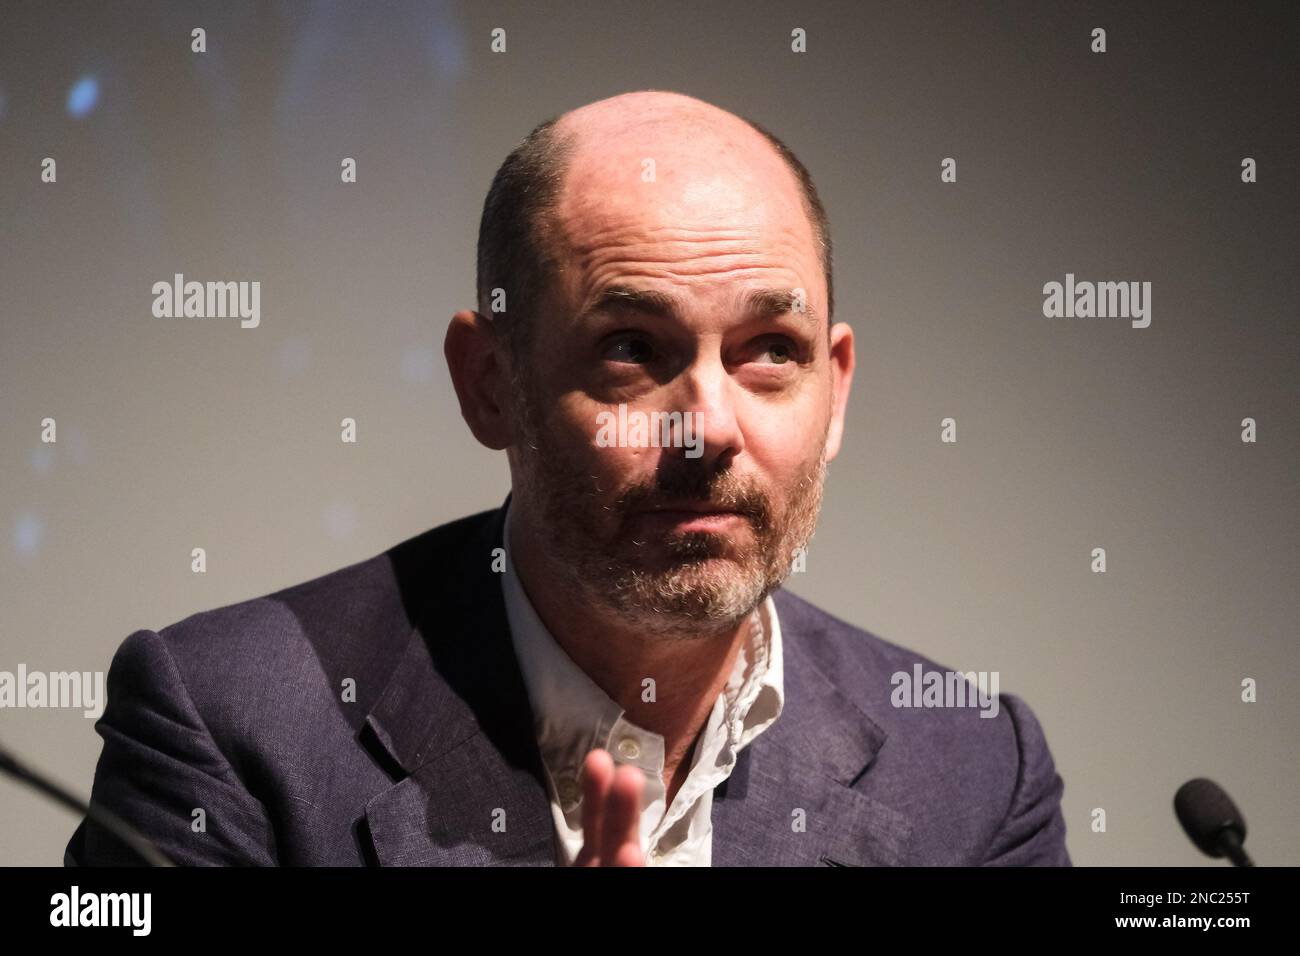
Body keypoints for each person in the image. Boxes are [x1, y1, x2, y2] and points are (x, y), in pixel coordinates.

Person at [66, 90, 1070, 867]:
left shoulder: (974, 763)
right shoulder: (230, 718)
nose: (709, 427)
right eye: (632, 347)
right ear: (490, 383)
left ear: (835, 389)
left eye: (770, 350)